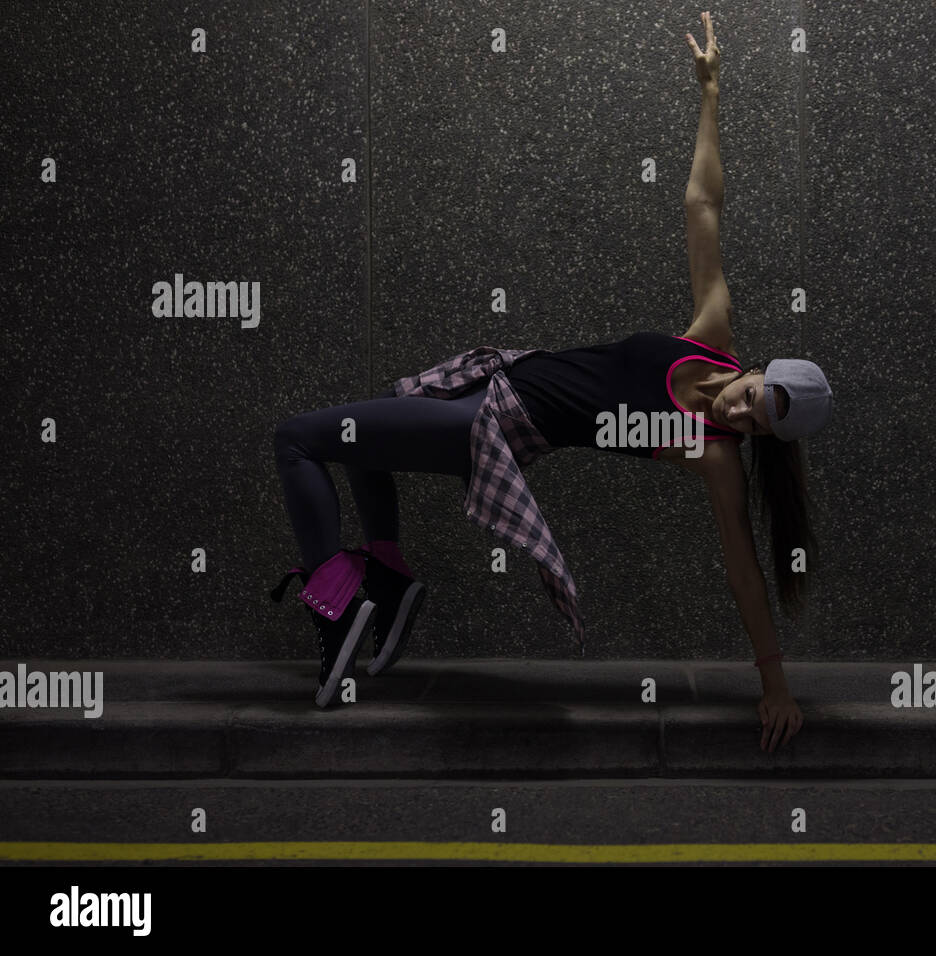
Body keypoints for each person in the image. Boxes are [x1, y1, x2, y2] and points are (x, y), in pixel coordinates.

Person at [269, 11, 831, 753]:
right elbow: (702, 205)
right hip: (493, 378)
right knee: (364, 439)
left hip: (494, 430)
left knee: (299, 440)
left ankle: (336, 609)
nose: (738, 409)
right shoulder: (714, 336)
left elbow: (744, 573)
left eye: (754, 422)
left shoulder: (713, 453)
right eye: (752, 396)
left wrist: (776, 685)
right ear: (755, 371)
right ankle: (388, 578)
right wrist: (711, 92)